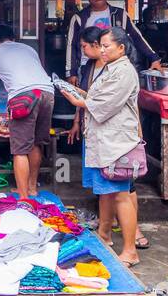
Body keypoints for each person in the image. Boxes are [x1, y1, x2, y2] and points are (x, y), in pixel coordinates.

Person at [60, 28, 142, 267]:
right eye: (101, 45)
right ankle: (104, 236)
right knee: (106, 192)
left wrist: (79, 101)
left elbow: (106, 105)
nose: (102, 50)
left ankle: (130, 251)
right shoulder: (109, 68)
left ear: (121, 48)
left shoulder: (124, 71)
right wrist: (79, 94)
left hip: (116, 143)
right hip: (104, 141)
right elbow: (97, 98)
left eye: (107, 46)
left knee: (121, 195)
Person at [0, 24, 54, 199]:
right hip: (47, 93)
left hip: (24, 97)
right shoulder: (28, 49)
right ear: (13, 38)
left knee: (20, 149)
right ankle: (32, 188)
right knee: (35, 144)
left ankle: (23, 197)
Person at [64, 0, 162, 81]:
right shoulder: (79, 18)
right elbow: (71, 45)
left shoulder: (120, 14)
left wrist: (154, 58)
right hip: (87, 67)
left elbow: (137, 37)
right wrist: (71, 72)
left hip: (115, 66)